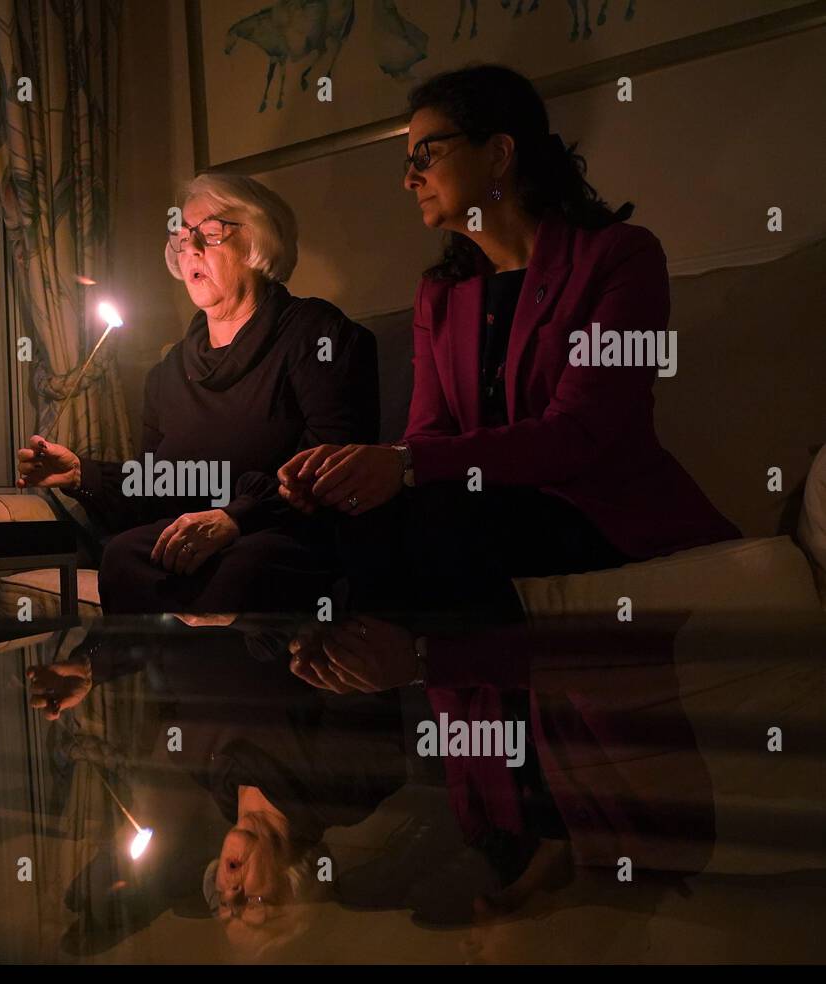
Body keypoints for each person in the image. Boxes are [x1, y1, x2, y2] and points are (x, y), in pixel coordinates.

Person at [277, 65, 738, 617]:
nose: (410, 179)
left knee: (435, 522)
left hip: (592, 506)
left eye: (426, 155)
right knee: (346, 519)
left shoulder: (620, 258)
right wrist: (344, 476)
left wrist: (403, 465)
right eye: (408, 163)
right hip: (475, 506)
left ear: (498, 153)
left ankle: (424, 664)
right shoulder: (441, 294)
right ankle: (376, 667)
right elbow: (428, 433)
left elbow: (579, 435)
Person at [17, 174, 378, 614]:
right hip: (191, 540)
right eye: (183, 237)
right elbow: (157, 492)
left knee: (244, 567)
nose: (190, 248)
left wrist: (235, 517)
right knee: (124, 555)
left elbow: (329, 466)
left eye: (209, 233)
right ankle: (131, 677)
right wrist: (80, 475)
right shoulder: (168, 373)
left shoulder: (316, 334)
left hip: (284, 534)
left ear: (258, 244)